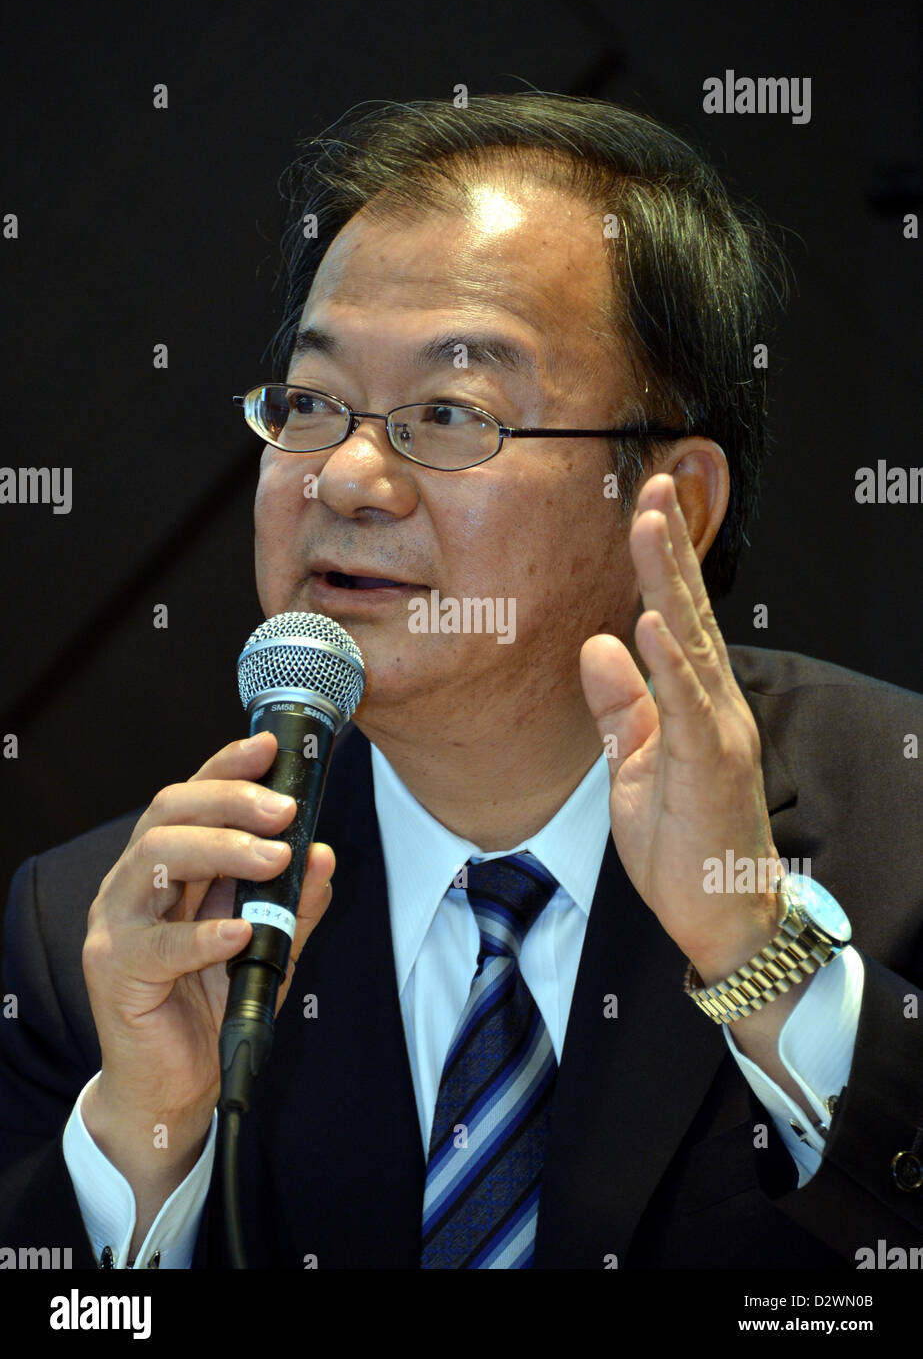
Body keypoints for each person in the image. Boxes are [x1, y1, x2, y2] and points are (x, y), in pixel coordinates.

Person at [1, 93, 921, 1271]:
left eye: (448, 412)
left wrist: (757, 955)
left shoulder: (898, 839)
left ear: (674, 503)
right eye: (309, 403)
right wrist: (153, 1141)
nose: (344, 477)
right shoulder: (109, 941)